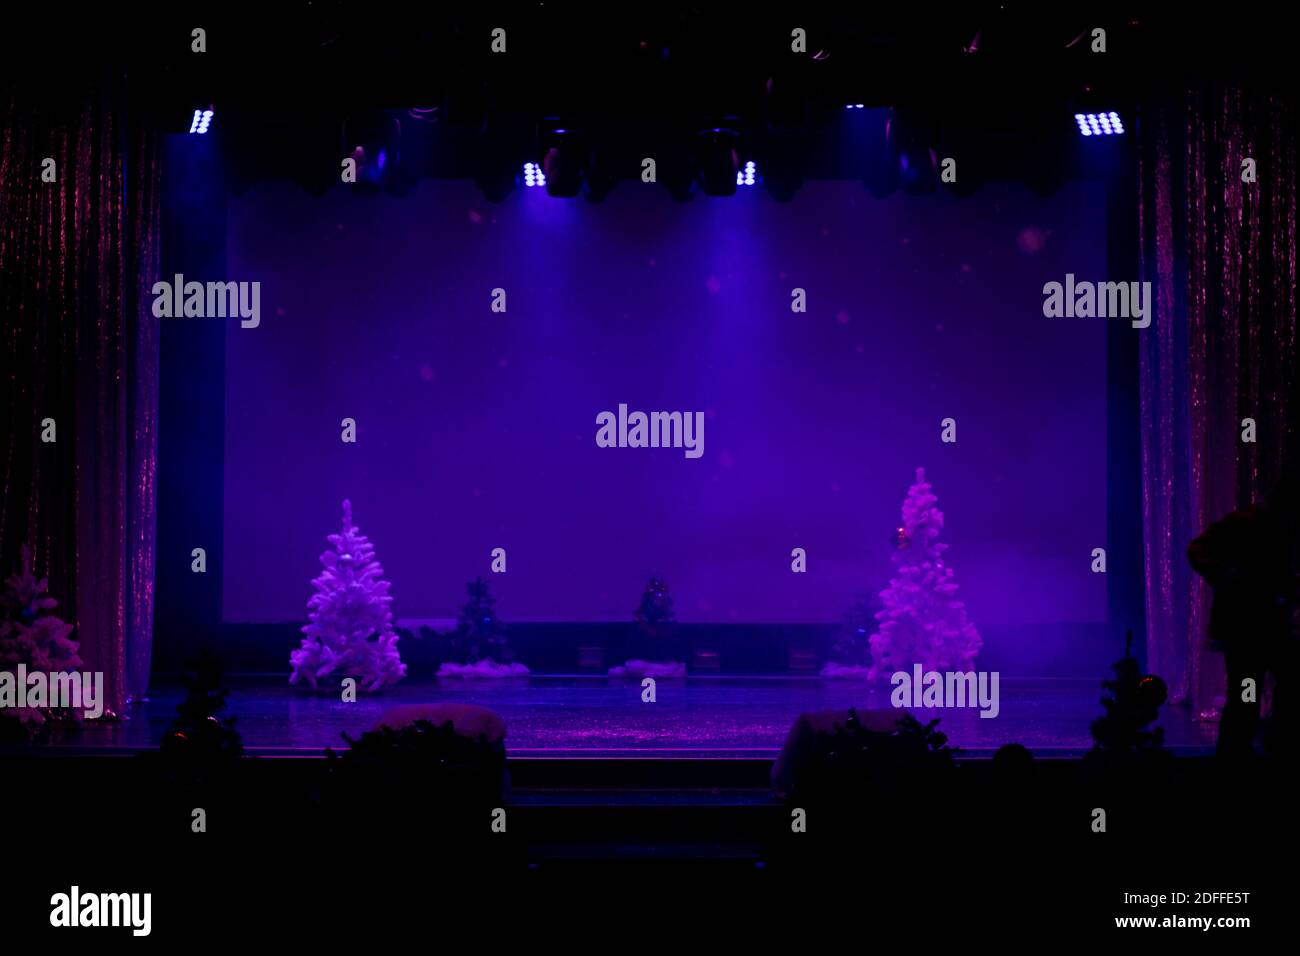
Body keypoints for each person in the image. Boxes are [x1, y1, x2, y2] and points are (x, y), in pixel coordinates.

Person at [1187, 471, 1300, 756]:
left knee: (1276, 684)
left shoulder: (1283, 528)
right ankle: (1237, 753)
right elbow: (1197, 549)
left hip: (1269, 625)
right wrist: (1227, 575)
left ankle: (1266, 744)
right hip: (1245, 629)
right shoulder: (1244, 523)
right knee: (1246, 694)